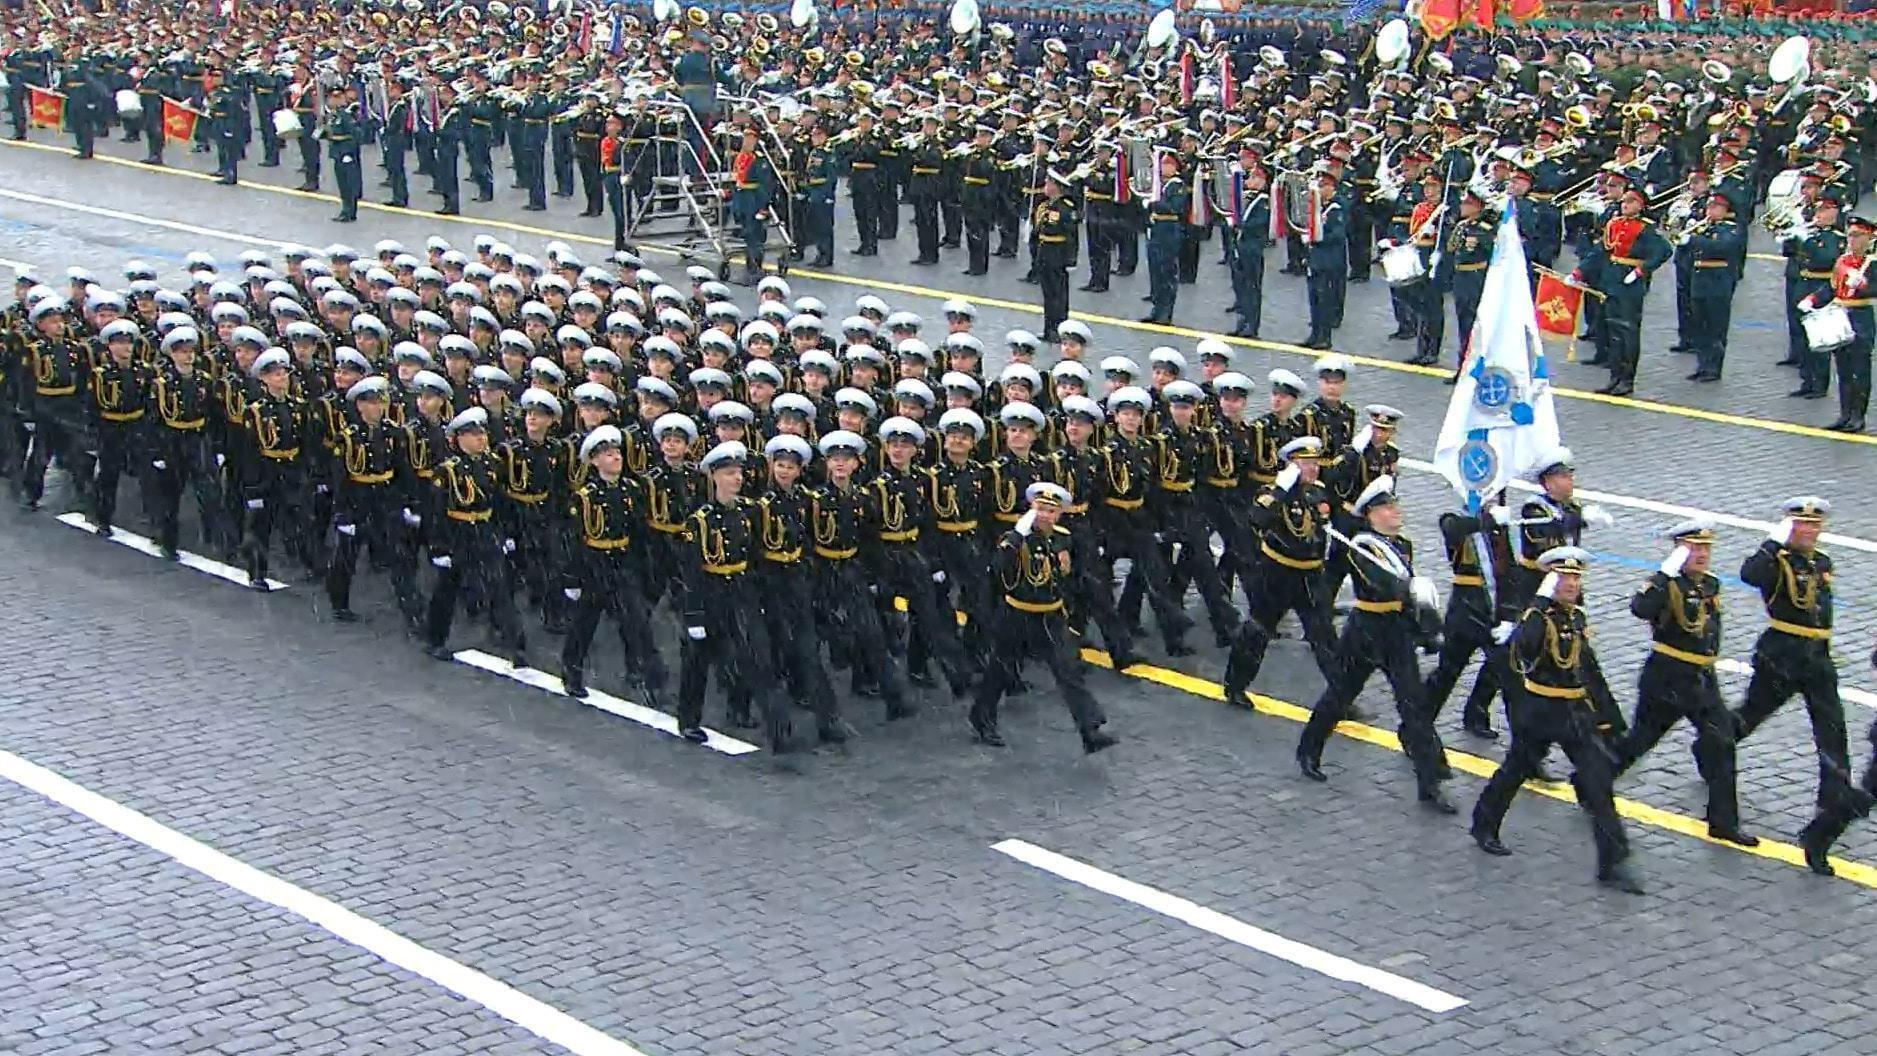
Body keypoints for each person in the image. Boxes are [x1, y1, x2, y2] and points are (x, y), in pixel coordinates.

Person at [1470, 547, 1643, 894]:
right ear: (1550, 580)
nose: (1572, 584)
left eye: (1576, 578)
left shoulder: (1576, 618)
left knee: (1597, 782)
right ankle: (1484, 823)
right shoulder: (1537, 617)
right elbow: (1522, 649)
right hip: (1541, 709)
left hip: (1575, 713)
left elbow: (1589, 670)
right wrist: (1537, 604)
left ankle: (1613, 861)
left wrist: (1609, 718)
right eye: (1564, 577)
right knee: (1516, 770)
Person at [1294, 476, 1454, 813]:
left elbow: (1407, 597)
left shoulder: (1401, 545)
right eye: (1388, 508)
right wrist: (1408, 590)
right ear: (1371, 514)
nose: (1396, 512)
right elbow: (1379, 583)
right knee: (1340, 695)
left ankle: (1429, 783)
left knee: (1413, 705)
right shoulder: (1362, 547)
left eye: (1395, 505)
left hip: (1396, 632)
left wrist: (1427, 628)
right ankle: (1309, 749)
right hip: (1365, 630)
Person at [1611, 517, 1757, 847]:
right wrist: (1665, 573)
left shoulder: (1710, 584)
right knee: (1639, 741)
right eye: (1693, 548)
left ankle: (1723, 822)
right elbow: (1641, 608)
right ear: (1678, 550)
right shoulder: (1665, 584)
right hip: (1667, 677)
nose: (1701, 554)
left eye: (1705, 548)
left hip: (1702, 678)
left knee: (1722, 742)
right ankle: (1591, 781)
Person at [970, 481, 1119, 754]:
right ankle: (982, 717)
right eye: (1040, 509)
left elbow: (1071, 579)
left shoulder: (1063, 538)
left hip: (1050, 616)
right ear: (1030, 508)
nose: (1044, 515)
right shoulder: (1014, 538)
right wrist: (1018, 535)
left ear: (1060, 514)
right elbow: (997, 569)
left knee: (1068, 672)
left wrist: (1075, 617)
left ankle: (1090, 730)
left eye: (1051, 511)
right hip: (1017, 615)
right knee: (1000, 671)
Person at [1734, 497, 1848, 810]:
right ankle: (1711, 751)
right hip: (1782, 653)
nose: (1808, 531)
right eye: (1800, 525)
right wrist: (1772, 542)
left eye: (1814, 525)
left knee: (1832, 727)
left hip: (1818, 656)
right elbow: (1750, 574)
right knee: (1751, 715)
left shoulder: (1821, 561)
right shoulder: (1775, 561)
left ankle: (1835, 795)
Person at [677, 440, 788, 749]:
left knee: (754, 653)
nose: (736, 479)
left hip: (741, 590)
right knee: (697, 661)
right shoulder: (698, 521)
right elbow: (690, 571)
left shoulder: (748, 512)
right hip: (711, 592)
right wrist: (694, 614)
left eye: (738, 472)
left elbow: (756, 557)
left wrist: (761, 596)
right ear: (714, 477)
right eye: (729, 473)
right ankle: (689, 719)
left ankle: (751, 713)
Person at [1222, 436, 1340, 707]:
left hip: (1311, 575)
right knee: (1257, 632)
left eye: (1315, 463)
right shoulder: (1272, 493)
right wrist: (1280, 491)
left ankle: (1341, 695)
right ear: (1291, 465)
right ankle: (1235, 685)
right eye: (1306, 464)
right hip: (1278, 574)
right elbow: (1256, 519)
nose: (1313, 469)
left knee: (1324, 637)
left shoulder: (1318, 492)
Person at [558, 424, 669, 708]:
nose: (616, 458)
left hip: (622, 563)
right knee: (584, 624)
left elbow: (639, 532)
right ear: (595, 461)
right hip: (594, 565)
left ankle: (646, 676)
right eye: (608, 454)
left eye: (617, 452)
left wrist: (644, 568)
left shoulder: (631, 489)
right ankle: (572, 670)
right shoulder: (585, 497)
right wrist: (572, 578)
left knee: (637, 623)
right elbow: (574, 540)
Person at [421, 407, 528, 667]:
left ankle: (515, 644)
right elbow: (435, 512)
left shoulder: (492, 463)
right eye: (473, 434)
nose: (481, 438)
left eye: (482, 433)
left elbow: (501, 501)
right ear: (459, 439)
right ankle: (435, 639)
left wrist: (507, 533)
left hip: (485, 530)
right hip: (458, 533)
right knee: (447, 589)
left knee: (500, 588)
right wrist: (438, 548)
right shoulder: (447, 471)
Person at [1682, 193, 1747, 383]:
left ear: (1725, 210)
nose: (1710, 211)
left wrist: (1692, 240)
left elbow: (1721, 247)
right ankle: (1702, 365)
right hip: (1699, 280)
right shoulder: (1702, 228)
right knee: (1699, 325)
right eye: (1709, 207)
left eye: (1715, 207)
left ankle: (1713, 367)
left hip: (1718, 281)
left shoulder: (1732, 229)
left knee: (1715, 327)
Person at [1140, 152, 1186, 325]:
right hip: (1156, 228)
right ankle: (1156, 309)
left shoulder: (1177, 185)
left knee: (1167, 272)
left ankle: (1166, 312)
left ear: (1174, 168)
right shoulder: (1159, 184)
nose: (1162, 168)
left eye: (1166, 165)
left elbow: (1175, 207)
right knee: (1155, 272)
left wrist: (1153, 202)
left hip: (1169, 230)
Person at [1033, 170, 1078, 343]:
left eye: (1048, 183)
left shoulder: (1065, 207)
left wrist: (1071, 259)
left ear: (1056, 187)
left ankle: (1059, 329)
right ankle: (1048, 328)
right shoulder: (1045, 205)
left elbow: (1072, 235)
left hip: (1058, 253)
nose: (1045, 186)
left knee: (1058, 294)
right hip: (1045, 251)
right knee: (1048, 294)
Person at [324, 85, 363, 222]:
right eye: (331, 97)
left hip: (346, 153)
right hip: (337, 153)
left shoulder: (346, 115)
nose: (332, 100)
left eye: (336, 97)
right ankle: (345, 209)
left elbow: (355, 134)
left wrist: (348, 151)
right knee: (342, 184)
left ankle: (349, 211)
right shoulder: (333, 115)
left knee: (349, 184)